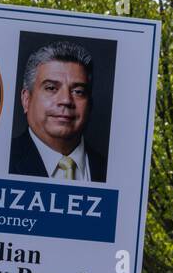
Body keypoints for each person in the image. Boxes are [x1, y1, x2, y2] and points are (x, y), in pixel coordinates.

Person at [9, 41, 107, 182]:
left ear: (90, 104)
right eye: (51, 88)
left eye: (78, 91)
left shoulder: (110, 169)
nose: (66, 100)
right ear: (26, 99)